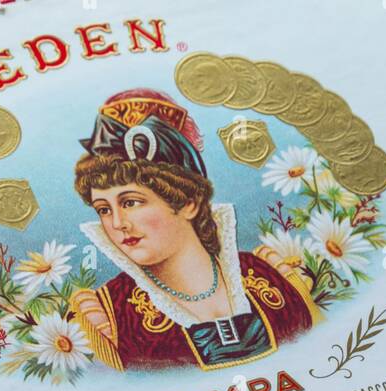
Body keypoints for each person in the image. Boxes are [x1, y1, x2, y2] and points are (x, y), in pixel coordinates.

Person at [71, 88, 319, 371]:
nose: (117, 223)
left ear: (188, 203)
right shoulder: (108, 316)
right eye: (104, 209)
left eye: (131, 202)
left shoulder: (270, 276)